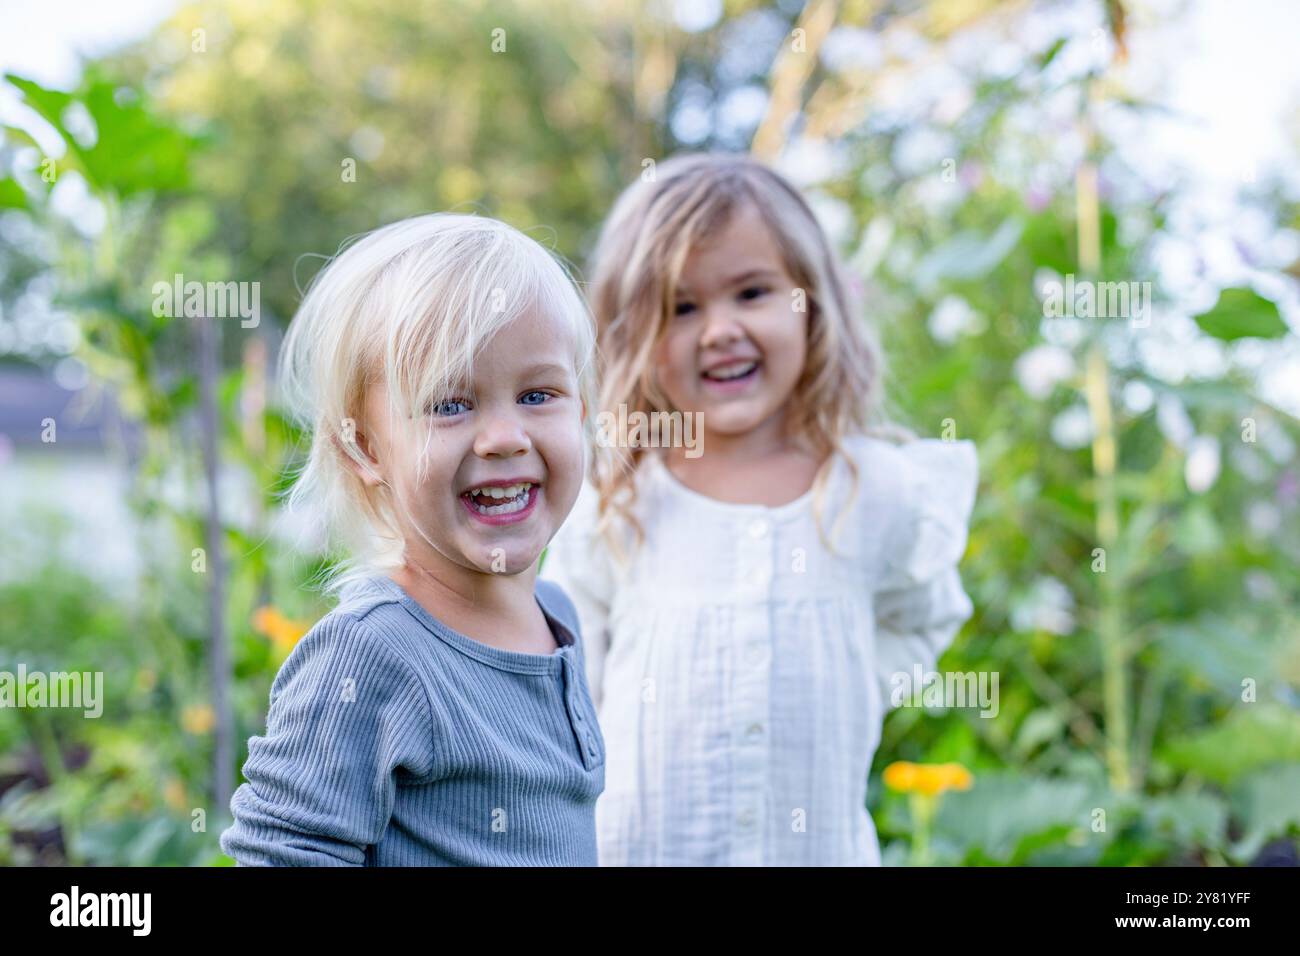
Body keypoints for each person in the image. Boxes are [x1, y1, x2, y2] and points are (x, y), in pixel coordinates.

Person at [540, 153, 978, 865]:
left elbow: (927, 615)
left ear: (812, 302)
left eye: (751, 293)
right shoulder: (616, 500)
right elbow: (568, 683)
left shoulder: (874, 490)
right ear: (634, 334)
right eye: (682, 308)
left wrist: (853, 682)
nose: (719, 330)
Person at [220, 213, 604, 865]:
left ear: (584, 412)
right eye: (450, 404)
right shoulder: (371, 653)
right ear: (365, 447)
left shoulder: (557, 616)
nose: (505, 436)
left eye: (538, 394)